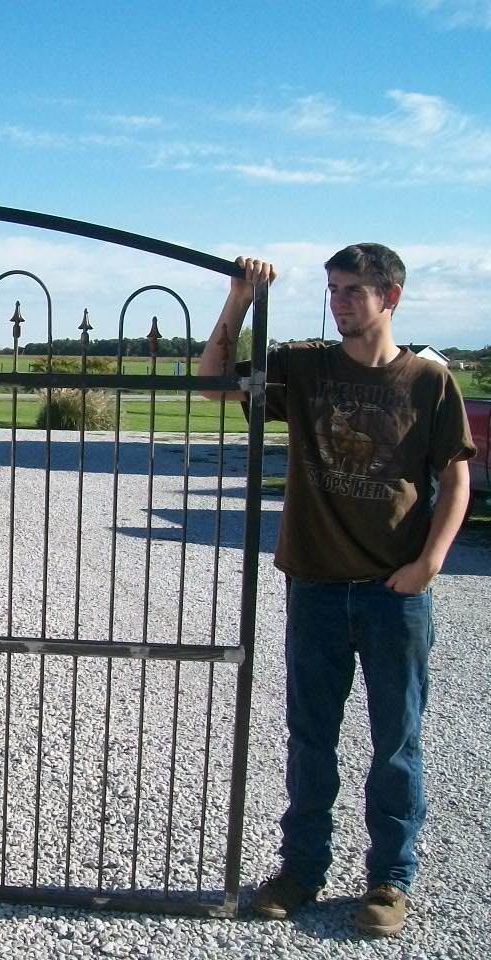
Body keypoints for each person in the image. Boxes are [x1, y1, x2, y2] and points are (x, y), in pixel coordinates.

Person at [200, 244, 474, 937]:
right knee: (310, 739)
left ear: (393, 298)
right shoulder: (306, 368)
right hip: (317, 588)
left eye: (355, 290)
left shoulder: (430, 383)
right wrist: (240, 298)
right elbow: (211, 386)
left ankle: (388, 880)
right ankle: (301, 870)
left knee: (397, 743)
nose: (340, 301)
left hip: (396, 593)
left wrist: (431, 563)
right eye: (333, 289)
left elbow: (456, 478)